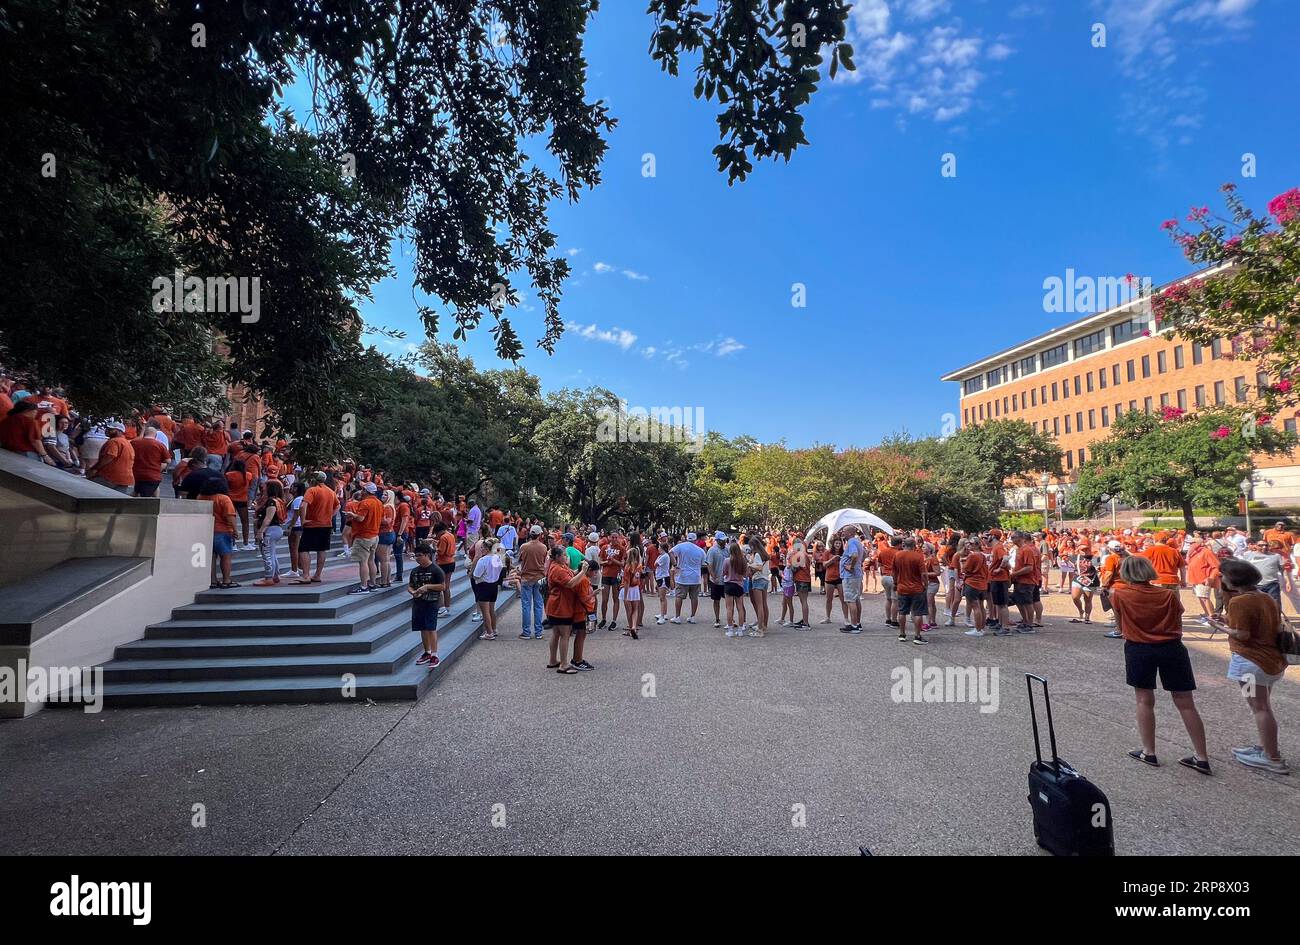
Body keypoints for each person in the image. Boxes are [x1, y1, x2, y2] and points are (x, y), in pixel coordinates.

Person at [1110, 555, 1211, 774]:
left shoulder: (1119, 594)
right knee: (1186, 702)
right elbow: (1178, 619)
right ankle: (1201, 756)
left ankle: (1149, 750)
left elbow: (1120, 625)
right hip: (1172, 646)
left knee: (1144, 700)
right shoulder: (1168, 594)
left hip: (1139, 648)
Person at [407, 543, 447, 669]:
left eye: (419, 556)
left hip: (431, 602)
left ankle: (434, 654)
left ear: (427, 555)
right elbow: (410, 586)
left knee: (431, 628)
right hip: (418, 602)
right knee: (422, 628)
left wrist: (428, 587)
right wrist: (413, 592)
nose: (417, 558)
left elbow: (442, 586)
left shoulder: (436, 570)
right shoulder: (415, 571)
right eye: (415, 556)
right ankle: (427, 652)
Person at [294, 472, 338, 584]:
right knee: (321, 549)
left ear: (313, 479)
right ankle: (317, 575)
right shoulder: (331, 491)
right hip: (326, 524)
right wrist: (330, 515)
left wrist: (303, 520)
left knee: (303, 549)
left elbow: (303, 505)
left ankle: (306, 575)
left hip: (312, 523)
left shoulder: (312, 490)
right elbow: (338, 505)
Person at [199, 477, 239, 589]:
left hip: (206, 531)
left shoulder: (201, 497)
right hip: (223, 531)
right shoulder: (223, 498)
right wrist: (235, 530)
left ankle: (212, 580)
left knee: (211, 557)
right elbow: (229, 516)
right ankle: (226, 580)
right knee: (225, 556)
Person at [344, 483, 383, 594]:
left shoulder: (365, 502)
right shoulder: (379, 502)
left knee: (363, 562)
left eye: (362, 489)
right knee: (371, 561)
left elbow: (360, 518)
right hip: (374, 535)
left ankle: (364, 586)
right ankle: (372, 584)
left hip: (363, 536)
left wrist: (352, 514)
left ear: (365, 491)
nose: (361, 491)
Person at [471, 538, 509, 640]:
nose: (481, 549)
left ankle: (489, 632)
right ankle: (494, 628)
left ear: (487, 549)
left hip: (484, 585)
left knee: (485, 612)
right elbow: (501, 568)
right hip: (493, 585)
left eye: (483, 548)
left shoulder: (483, 560)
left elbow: (476, 575)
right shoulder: (497, 558)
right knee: (492, 609)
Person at [892, 538, 928, 645]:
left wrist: (895, 583)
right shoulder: (918, 556)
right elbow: (923, 574)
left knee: (902, 611)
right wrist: (925, 584)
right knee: (918, 613)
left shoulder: (897, 555)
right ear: (914, 545)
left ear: (904, 545)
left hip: (902, 587)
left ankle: (902, 634)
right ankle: (917, 635)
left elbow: (894, 572)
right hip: (916, 588)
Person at [251, 480, 287, 586]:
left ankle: (268, 577)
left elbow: (268, 519)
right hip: (275, 529)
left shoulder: (271, 502)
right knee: (272, 553)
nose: (263, 488)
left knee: (267, 554)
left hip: (270, 530)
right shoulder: (278, 500)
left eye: (265, 487)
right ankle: (275, 575)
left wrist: (261, 531)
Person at [516, 525, 549, 640]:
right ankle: (538, 632)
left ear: (530, 534)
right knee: (538, 605)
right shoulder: (544, 547)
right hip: (539, 578)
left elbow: (520, 559)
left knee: (526, 605)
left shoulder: (524, 546)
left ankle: (526, 632)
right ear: (540, 535)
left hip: (526, 578)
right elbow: (545, 561)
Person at [669, 532, 705, 624]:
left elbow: (671, 552)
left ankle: (677, 616)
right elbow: (703, 563)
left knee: (679, 596)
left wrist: (675, 564)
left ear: (686, 538)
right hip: (695, 577)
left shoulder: (681, 546)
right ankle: (692, 616)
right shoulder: (700, 550)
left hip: (683, 576)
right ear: (696, 540)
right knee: (694, 597)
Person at [961, 538, 992, 637]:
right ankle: (981, 628)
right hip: (982, 583)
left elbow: (965, 569)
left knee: (975, 606)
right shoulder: (982, 556)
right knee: (981, 606)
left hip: (972, 583)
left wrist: (962, 563)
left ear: (976, 545)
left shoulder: (972, 556)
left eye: (971, 543)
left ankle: (978, 629)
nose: (969, 545)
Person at [721, 540, 748, 636]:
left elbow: (723, 573)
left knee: (729, 608)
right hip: (739, 585)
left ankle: (730, 629)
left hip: (729, 584)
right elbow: (745, 574)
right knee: (740, 607)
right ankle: (740, 629)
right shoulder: (743, 561)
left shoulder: (727, 560)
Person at [704, 531, 729, 628]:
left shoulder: (727, 550)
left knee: (728, 600)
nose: (724, 542)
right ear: (718, 540)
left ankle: (730, 618)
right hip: (716, 579)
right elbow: (709, 564)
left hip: (726, 579)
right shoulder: (712, 550)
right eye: (722, 540)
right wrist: (713, 576)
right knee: (716, 600)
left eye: (725, 540)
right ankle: (717, 618)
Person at [745, 535, 769, 636]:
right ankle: (763, 625)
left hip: (758, 579)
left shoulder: (757, 555)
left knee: (759, 605)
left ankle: (760, 630)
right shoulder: (764, 554)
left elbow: (758, 567)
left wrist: (749, 564)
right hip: (765, 579)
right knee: (763, 604)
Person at [621, 541, 645, 639]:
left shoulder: (627, 567)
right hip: (635, 589)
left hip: (628, 589)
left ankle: (630, 627)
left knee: (628, 611)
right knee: (635, 609)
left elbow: (626, 582)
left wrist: (625, 596)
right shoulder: (639, 566)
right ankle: (634, 627)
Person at [788, 538, 811, 629]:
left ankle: (805, 623)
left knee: (804, 601)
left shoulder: (799, 555)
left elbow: (794, 568)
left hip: (801, 579)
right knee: (803, 601)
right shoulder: (805, 554)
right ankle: (804, 620)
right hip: (805, 578)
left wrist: (791, 563)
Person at [1069, 553, 1099, 624]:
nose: (1083, 550)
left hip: (1090, 580)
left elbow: (1099, 567)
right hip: (1078, 578)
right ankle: (1081, 611)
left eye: (1085, 548)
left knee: (1088, 599)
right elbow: (1067, 561)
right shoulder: (1075, 556)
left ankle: (1087, 617)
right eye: (1081, 548)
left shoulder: (1094, 556)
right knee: (1075, 597)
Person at [821, 536, 845, 626]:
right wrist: (833, 559)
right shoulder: (828, 552)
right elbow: (824, 565)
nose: (838, 545)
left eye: (839, 543)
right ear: (833, 544)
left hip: (840, 577)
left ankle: (846, 618)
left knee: (843, 599)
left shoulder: (844, 552)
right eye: (836, 543)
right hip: (829, 577)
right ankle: (827, 617)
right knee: (829, 599)